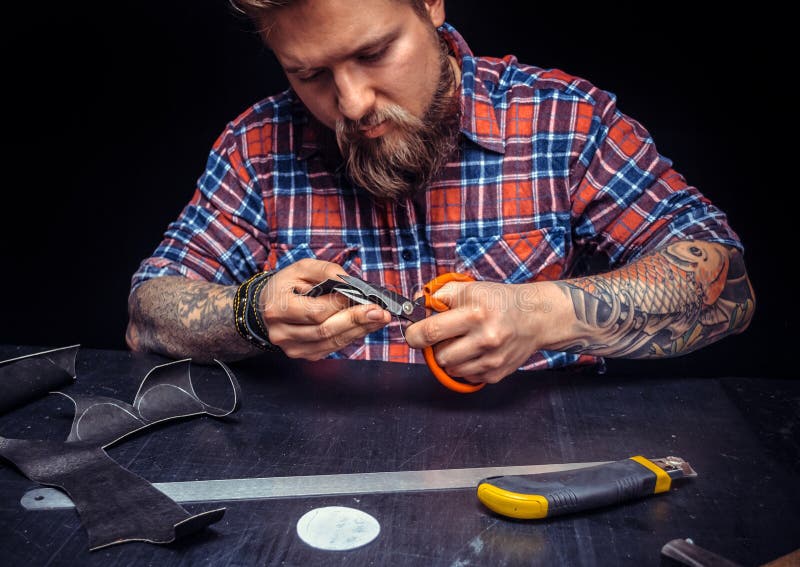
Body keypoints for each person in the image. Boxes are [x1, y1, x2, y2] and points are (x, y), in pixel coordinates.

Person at [126, 0, 755, 385]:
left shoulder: (566, 120)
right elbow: (149, 313)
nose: (351, 104)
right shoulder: (256, 145)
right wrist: (249, 312)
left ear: (430, 2)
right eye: (309, 74)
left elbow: (724, 281)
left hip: (549, 470)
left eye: (374, 53)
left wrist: (541, 315)